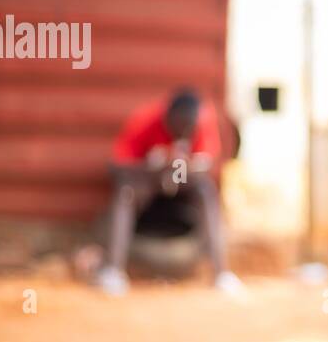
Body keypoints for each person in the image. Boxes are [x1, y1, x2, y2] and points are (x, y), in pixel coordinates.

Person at [95, 89, 243, 297]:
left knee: (206, 191)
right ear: (167, 117)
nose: (182, 133)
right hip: (147, 182)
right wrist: (152, 165)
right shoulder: (146, 120)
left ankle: (221, 274)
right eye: (178, 126)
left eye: (188, 128)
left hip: (181, 182)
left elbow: (207, 164)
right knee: (125, 194)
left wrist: (185, 166)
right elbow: (117, 166)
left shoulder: (203, 120)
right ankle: (113, 271)